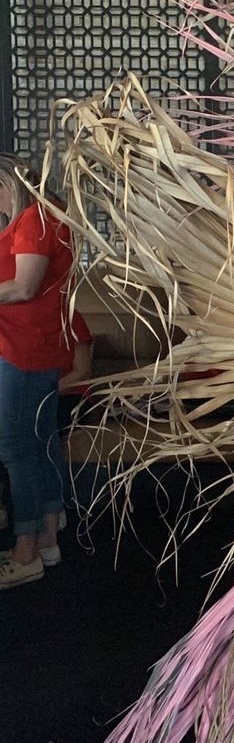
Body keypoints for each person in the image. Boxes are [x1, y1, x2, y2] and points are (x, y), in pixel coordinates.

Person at [0, 152, 75, 587]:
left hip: (22, 347)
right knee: (41, 441)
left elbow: (24, 287)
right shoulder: (48, 214)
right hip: (36, 344)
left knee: (16, 448)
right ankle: (47, 535)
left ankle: (25, 548)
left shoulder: (34, 220)